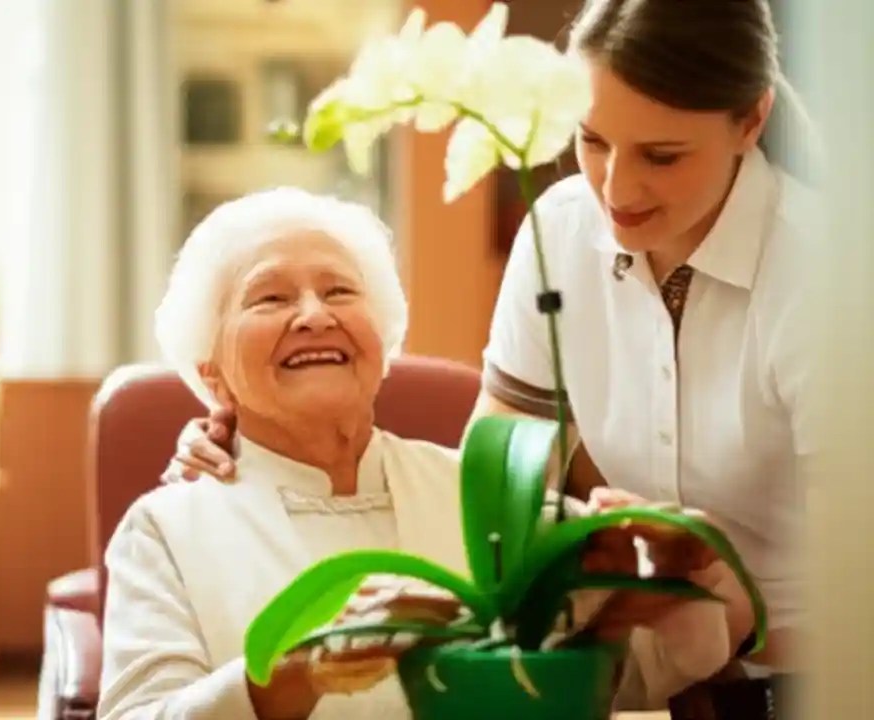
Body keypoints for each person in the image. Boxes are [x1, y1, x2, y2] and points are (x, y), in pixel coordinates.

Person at [166, 0, 812, 694]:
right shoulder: (561, 233)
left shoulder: (831, 278)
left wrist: (738, 624)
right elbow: (496, 503)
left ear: (752, 120)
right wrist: (264, 445)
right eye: (591, 141)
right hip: (655, 675)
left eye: (661, 155)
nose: (615, 189)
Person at [99, 187, 753, 720]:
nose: (313, 315)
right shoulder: (164, 530)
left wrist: (674, 573)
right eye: (270, 297)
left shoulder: (484, 498)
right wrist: (299, 671)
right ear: (210, 373)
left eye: (339, 292)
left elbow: (636, 673)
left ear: (381, 347)